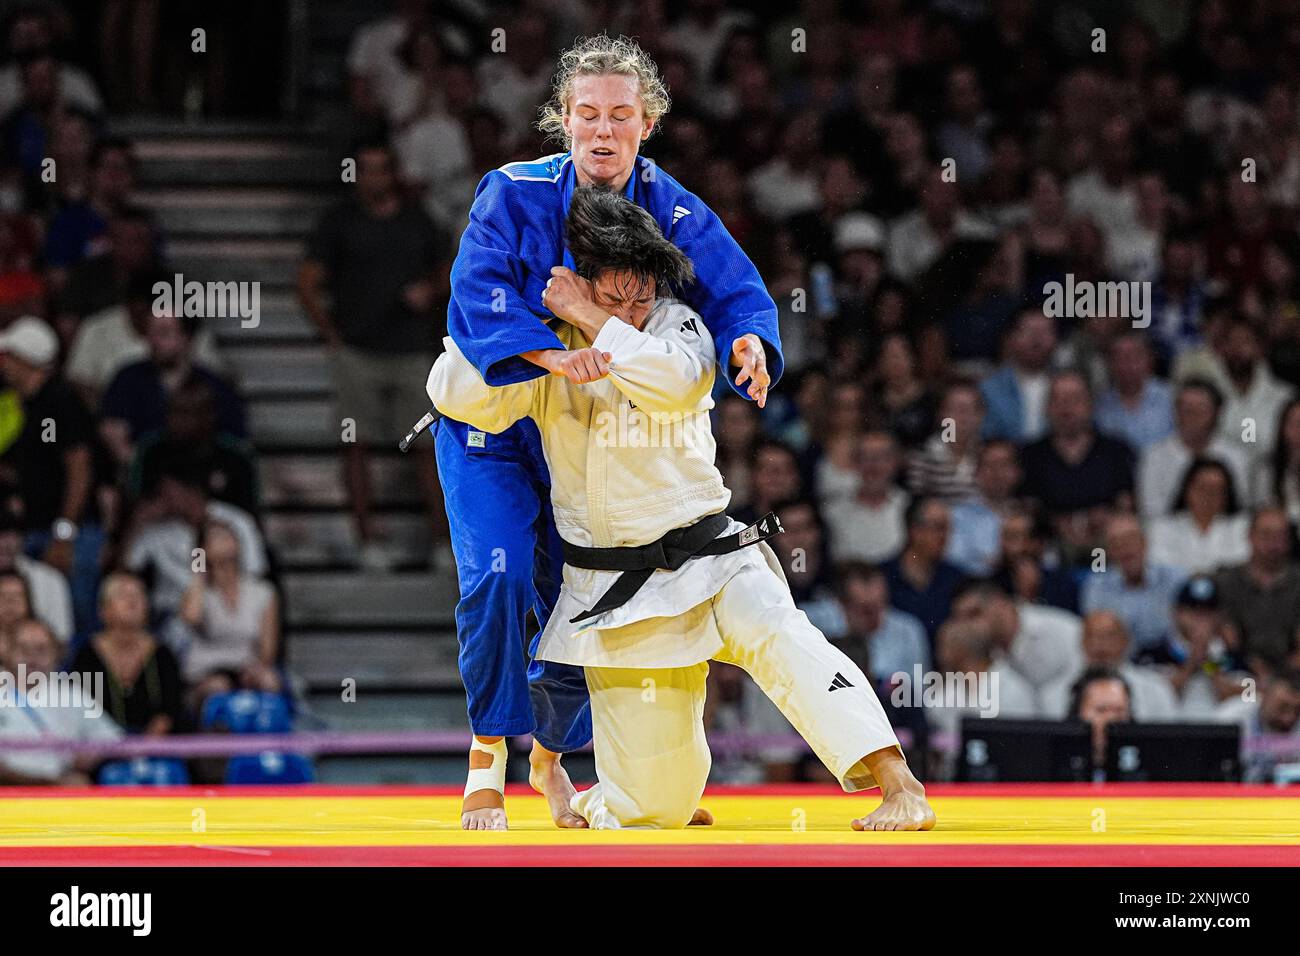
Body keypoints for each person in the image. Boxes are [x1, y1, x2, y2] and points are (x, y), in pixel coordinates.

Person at [428, 184, 933, 832]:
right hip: (615, 595)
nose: (633, 311)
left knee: (778, 630)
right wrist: (523, 332)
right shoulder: (551, 354)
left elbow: (678, 382)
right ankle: (596, 796)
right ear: (576, 279)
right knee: (655, 809)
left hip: (711, 556)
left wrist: (594, 316)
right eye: (614, 295)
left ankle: (898, 782)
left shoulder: (678, 327)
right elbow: (458, 395)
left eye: (642, 295)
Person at [431, 35, 782, 830]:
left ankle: (555, 764)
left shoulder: (676, 207)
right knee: (501, 574)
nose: (602, 130)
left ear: (647, 121)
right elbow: (474, 295)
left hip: (580, 433)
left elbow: (733, 290)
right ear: (562, 119)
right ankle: (488, 752)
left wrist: (747, 343)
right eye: (586, 114)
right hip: (493, 421)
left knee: (579, 596)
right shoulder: (511, 192)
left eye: (620, 115)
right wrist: (553, 353)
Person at [297, 140, 447, 571]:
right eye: (365, 169)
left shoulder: (420, 221)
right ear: (356, 174)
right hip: (356, 351)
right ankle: (367, 542)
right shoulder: (338, 222)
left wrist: (431, 290)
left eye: (382, 168)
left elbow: (449, 272)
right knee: (354, 445)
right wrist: (331, 335)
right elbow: (306, 282)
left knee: (429, 447)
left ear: (394, 172)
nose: (374, 177)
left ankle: (440, 543)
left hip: (412, 350)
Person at [0, 316, 103, 634]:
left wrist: (64, 532)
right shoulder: (24, 405)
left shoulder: (59, 401)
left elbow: (79, 466)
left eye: (9, 356)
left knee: (76, 616)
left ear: (25, 360)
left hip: (68, 532)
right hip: (34, 526)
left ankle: (78, 682)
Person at [0, 618, 122, 786]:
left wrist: (90, 755)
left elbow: (112, 737)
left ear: (56, 653)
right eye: (24, 649)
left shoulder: (71, 695)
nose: (33, 657)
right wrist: (52, 783)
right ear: (7, 651)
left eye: (42, 649)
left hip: (60, 796)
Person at [176, 521, 281, 711]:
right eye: (215, 537)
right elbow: (191, 617)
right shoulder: (199, 591)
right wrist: (198, 572)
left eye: (228, 536)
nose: (223, 540)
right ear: (202, 549)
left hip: (246, 668)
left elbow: (268, 649)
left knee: (269, 682)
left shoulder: (262, 591)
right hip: (205, 673)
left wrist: (254, 671)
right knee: (219, 687)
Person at [69, 573, 183, 735]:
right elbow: (81, 709)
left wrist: (142, 748)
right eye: (122, 595)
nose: (133, 601)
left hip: (155, 750)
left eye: (139, 595)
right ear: (103, 610)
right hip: (99, 750)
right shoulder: (86, 655)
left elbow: (170, 709)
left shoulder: (163, 655)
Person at [1137, 377, 1250, 518]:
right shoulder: (1154, 456)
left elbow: (1241, 510)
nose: (1191, 415)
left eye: (1200, 409)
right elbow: (1152, 513)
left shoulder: (1237, 457)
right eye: (1185, 409)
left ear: (1217, 413)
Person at [1039, 610, 1178, 721]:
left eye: (1109, 636)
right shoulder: (1053, 693)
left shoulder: (1156, 690)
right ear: (1081, 642)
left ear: (1126, 641)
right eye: (1092, 636)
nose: (1099, 645)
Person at [1080, 513, 1186, 656]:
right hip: (1118, 665)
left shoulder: (1175, 579)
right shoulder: (1097, 586)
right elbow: (1098, 636)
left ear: (1144, 543)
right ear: (1109, 552)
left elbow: (1188, 631)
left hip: (1172, 660)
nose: (1125, 549)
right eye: (1116, 543)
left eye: (1130, 540)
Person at [1213, 508, 1300, 673]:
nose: (1274, 544)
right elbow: (1219, 639)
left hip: (1288, 675)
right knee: (1209, 666)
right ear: (1250, 536)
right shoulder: (1225, 581)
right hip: (1237, 669)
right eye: (1266, 535)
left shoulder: (1297, 582)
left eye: (1281, 536)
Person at [1146, 458, 1250, 575]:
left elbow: (1242, 563)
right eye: (1202, 488)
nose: (1208, 495)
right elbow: (1160, 566)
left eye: (1216, 490)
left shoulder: (1242, 527)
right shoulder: (1163, 528)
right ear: (1187, 490)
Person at [823, 429, 908, 563]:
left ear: (895, 462)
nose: (873, 465)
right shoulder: (832, 512)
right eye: (865, 457)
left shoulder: (908, 506)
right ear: (854, 463)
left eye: (882, 457)